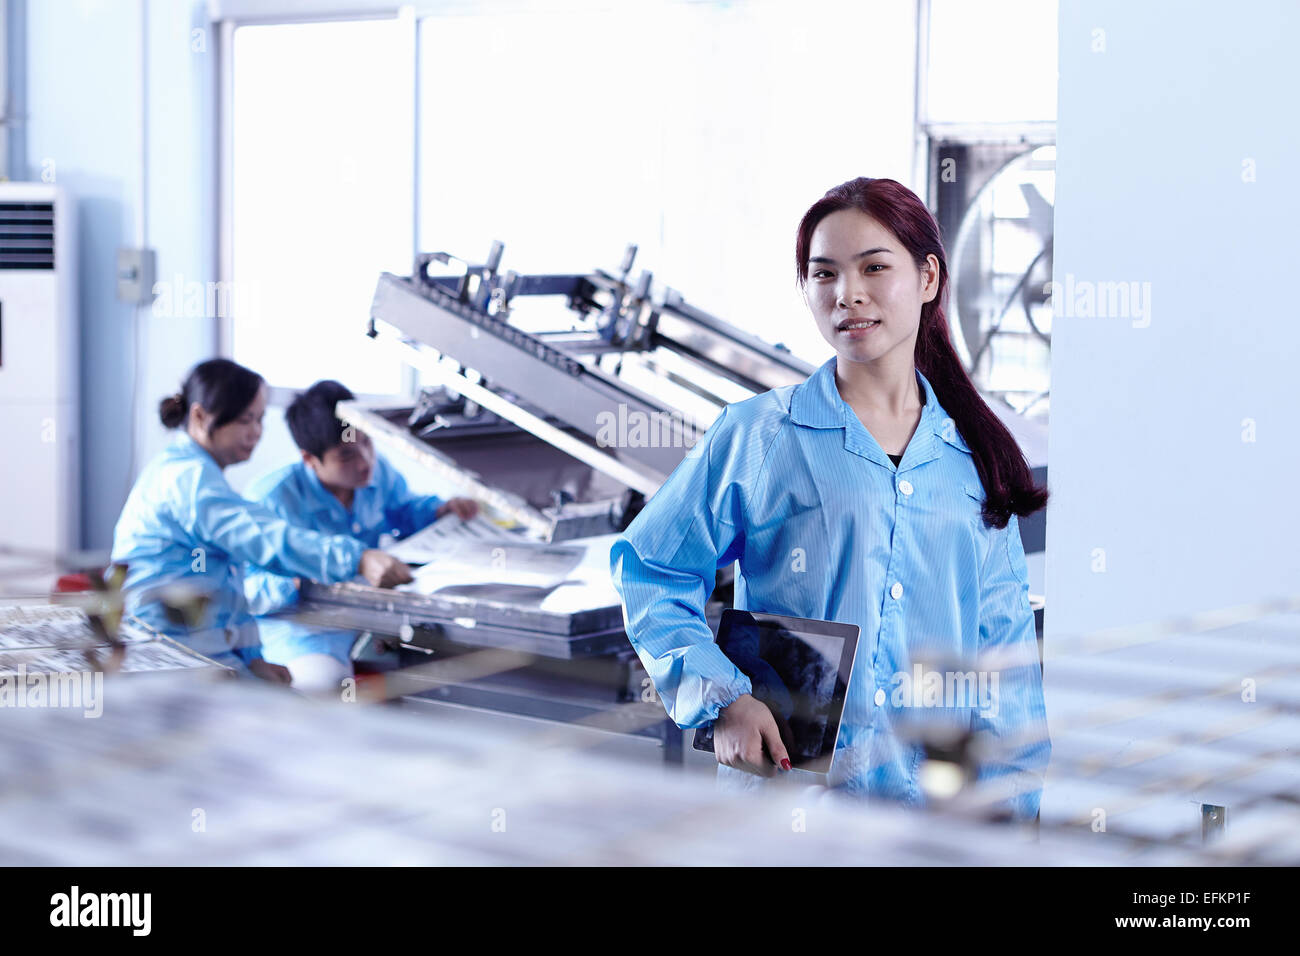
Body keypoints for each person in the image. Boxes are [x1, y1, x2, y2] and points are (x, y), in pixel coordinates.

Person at [610, 177, 1051, 821]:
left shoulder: (972, 457)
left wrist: (1014, 811)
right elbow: (651, 569)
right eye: (825, 275)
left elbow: (1003, 660)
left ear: (928, 278)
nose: (848, 295)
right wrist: (724, 699)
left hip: (937, 823)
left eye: (875, 267)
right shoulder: (760, 436)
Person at [110, 359, 413, 679]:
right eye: (245, 420)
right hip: (166, 649)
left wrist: (253, 657)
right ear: (200, 416)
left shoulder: (197, 473)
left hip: (203, 645)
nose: (256, 433)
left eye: (260, 419)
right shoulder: (188, 478)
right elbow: (264, 540)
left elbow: (229, 583)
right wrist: (357, 557)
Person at [243, 380, 479, 693]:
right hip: (305, 631)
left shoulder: (377, 472)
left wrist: (441, 510)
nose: (365, 461)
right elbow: (245, 591)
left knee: (450, 661)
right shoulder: (270, 500)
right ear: (309, 459)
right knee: (322, 687)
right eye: (346, 456)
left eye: (368, 443)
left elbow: (404, 511)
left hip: (370, 616)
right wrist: (299, 584)